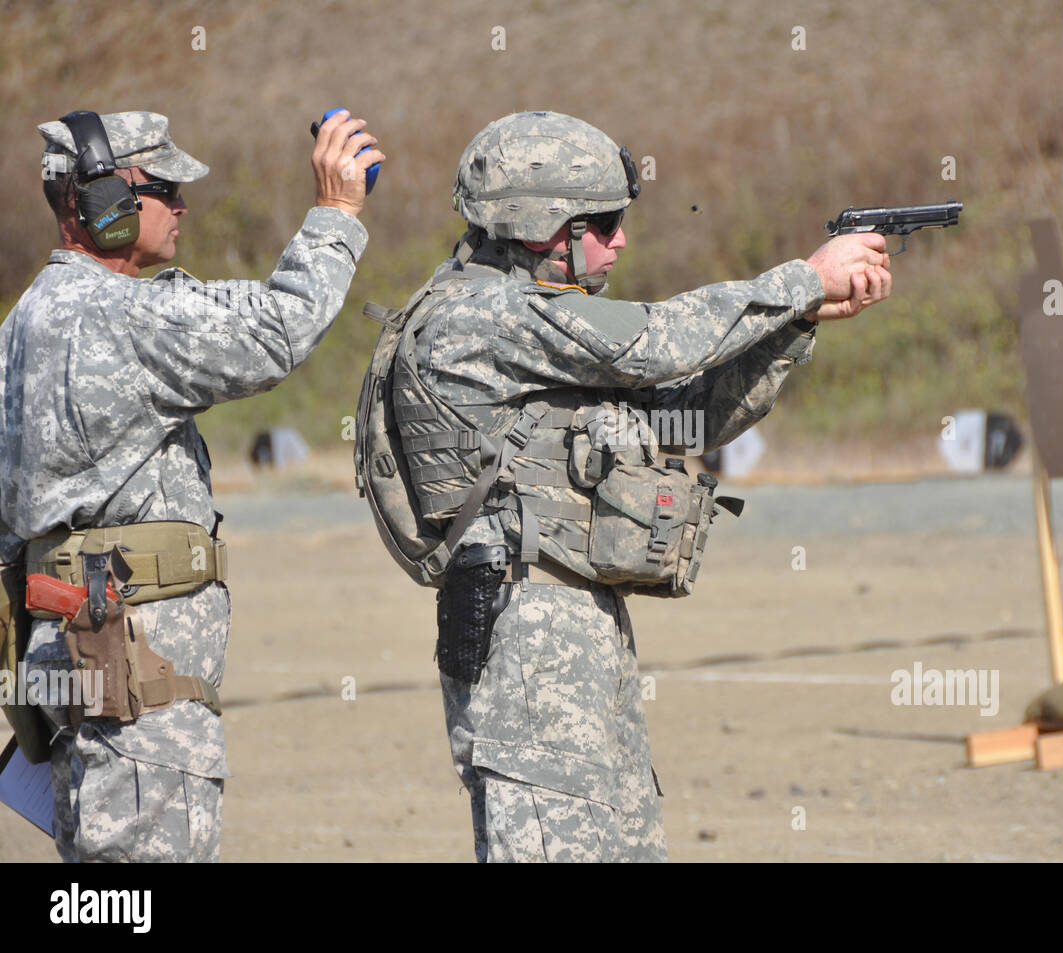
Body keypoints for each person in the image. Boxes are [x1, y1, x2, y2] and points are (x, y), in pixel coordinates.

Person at [387, 110, 888, 862]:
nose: (621, 239)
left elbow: (682, 420)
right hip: (525, 642)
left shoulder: (536, 326)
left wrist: (795, 323)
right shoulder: (481, 315)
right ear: (541, 227)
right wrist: (801, 279)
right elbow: (658, 342)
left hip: (571, 626)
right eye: (606, 221)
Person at [0, 108, 384, 862]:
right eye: (164, 187)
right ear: (100, 200)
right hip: (138, 699)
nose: (182, 206)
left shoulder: (25, 323)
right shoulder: (119, 315)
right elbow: (277, 329)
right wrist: (335, 215)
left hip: (78, 678)